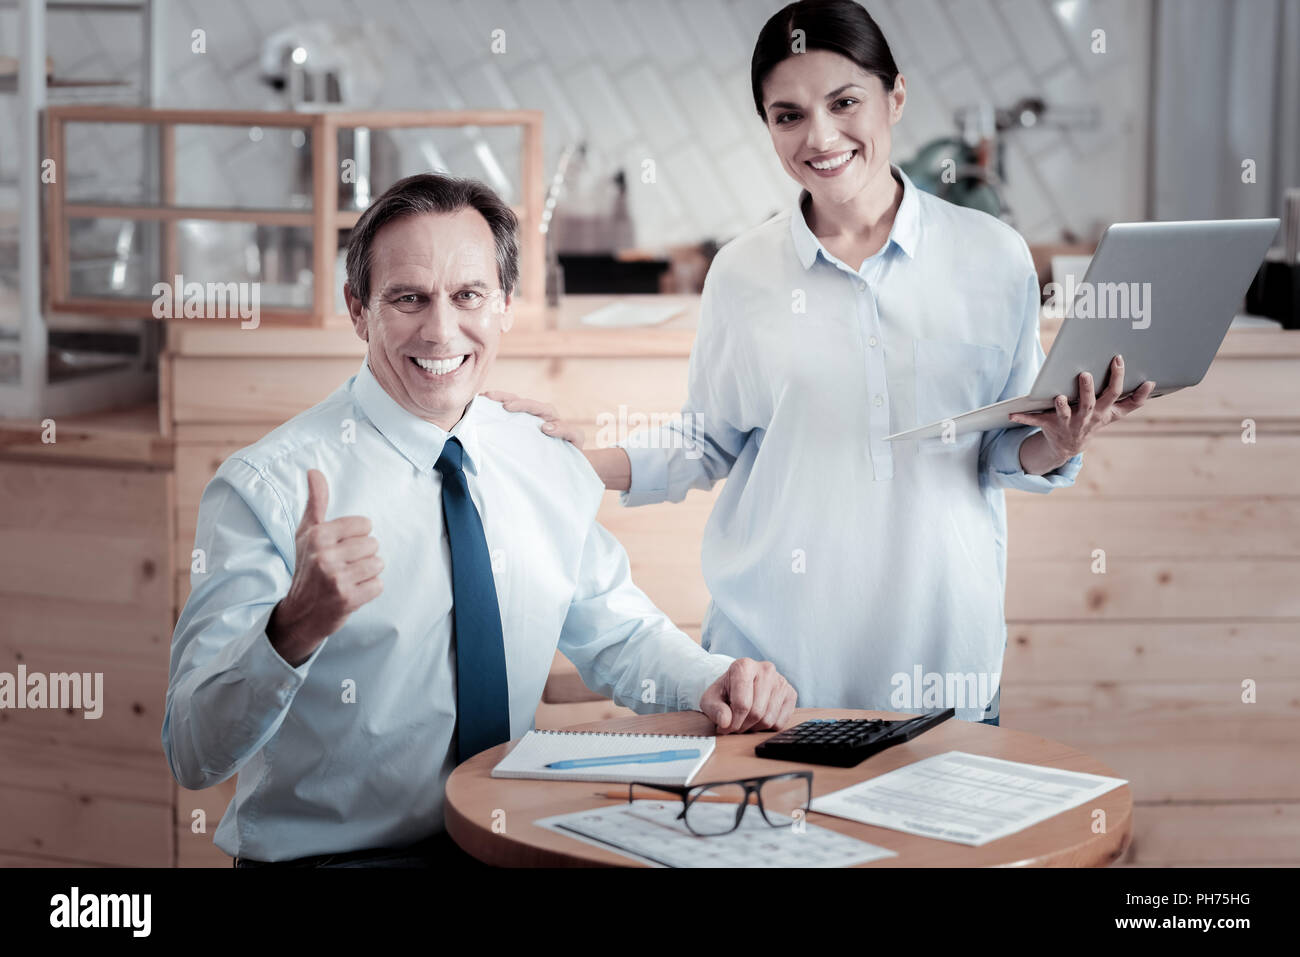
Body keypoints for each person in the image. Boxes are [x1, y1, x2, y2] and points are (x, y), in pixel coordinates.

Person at [489, 0, 1155, 727]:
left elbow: (998, 445)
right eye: (788, 115)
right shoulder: (743, 272)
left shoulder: (994, 258)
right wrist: (581, 461)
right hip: (775, 676)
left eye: (845, 102)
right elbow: (706, 441)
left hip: (943, 669)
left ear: (894, 96)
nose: (821, 136)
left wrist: (1055, 443)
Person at [162, 173, 797, 868]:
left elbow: (619, 631)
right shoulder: (269, 487)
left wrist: (710, 679)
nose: (440, 329)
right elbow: (193, 750)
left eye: (467, 295)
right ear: (357, 309)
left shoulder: (539, 455)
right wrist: (293, 628)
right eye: (407, 298)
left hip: (510, 842)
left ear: (504, 306)